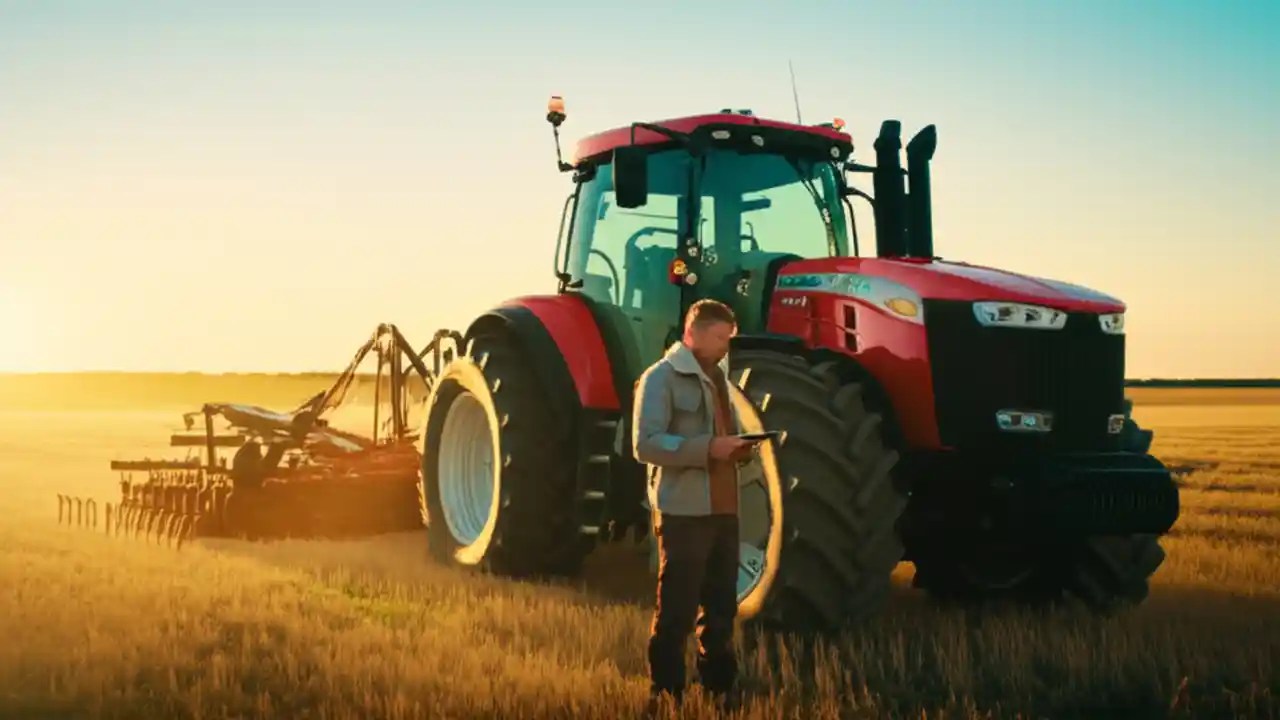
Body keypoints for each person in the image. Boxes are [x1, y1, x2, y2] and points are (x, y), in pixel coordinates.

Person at [632, 298, 760, 713]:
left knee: (722, 606)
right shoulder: (659, 379)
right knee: (677, 609)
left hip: (725, 511)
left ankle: (720, 687)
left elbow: (727, 437)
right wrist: (710, 448)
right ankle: (666, 692)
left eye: (729, 339)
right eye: (721, 337)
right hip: (685, 514)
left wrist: (743, 450)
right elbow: (645, 444)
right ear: (694, 333)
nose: (726, 346)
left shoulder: (721, 381)